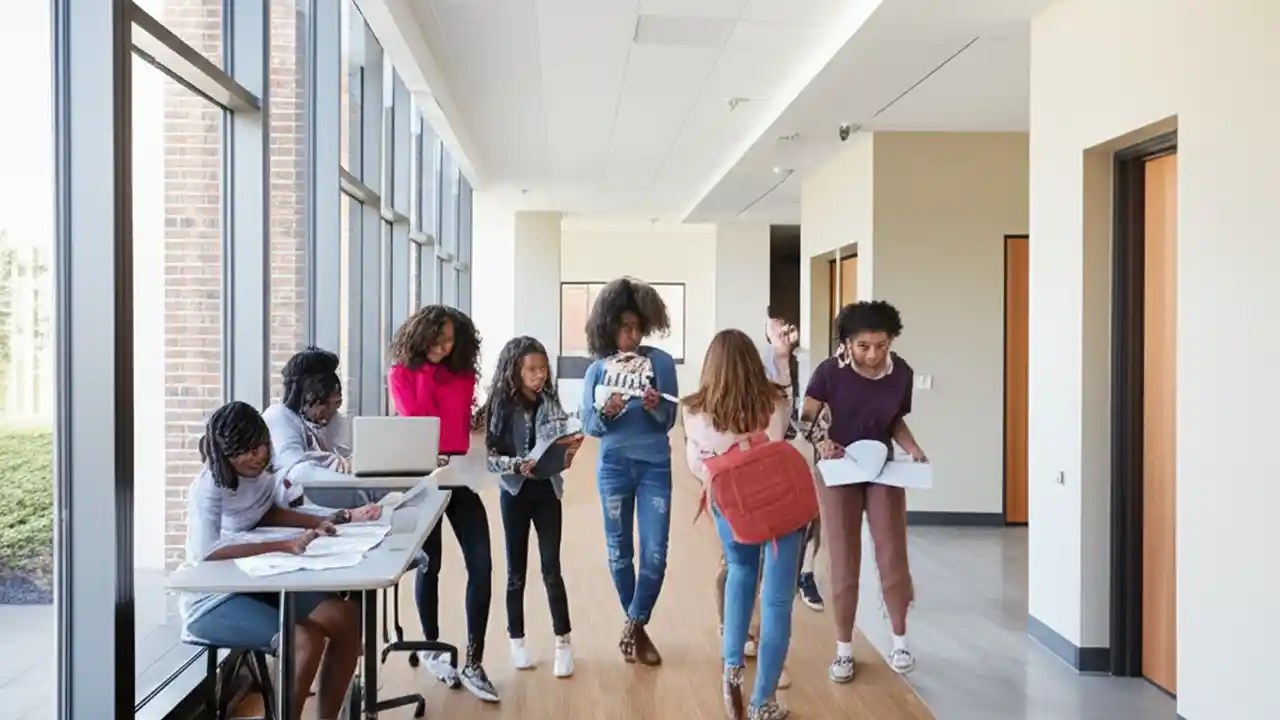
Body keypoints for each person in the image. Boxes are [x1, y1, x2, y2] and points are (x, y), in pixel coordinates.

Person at [179, 401, 361, 720]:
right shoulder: (208, 486)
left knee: (345, 617)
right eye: (247, 451)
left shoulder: (263, 470)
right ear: (225, 454)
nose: (259, 455)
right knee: (305, 640)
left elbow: (267, 512)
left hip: (261, 577)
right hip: (213, 598)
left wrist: (319, 522)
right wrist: (283, 543)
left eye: (261, 444)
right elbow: (205, 553)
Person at [800, 300, 925, 681]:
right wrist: (822, 442)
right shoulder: (829, 372)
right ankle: (843, 650)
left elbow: (894, 421)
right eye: (864, 346)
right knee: (844, 557)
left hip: (881, 467)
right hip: (839, 467)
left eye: (881, 345)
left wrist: (912, 448)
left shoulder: (901, 373)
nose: (873, 354)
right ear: (847, 343)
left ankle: (900, 640)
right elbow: (805, 419)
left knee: (892, 554)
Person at [684, 329, 802, 720]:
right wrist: (783, 361)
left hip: (730, 507)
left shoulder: (694, 410)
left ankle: (731, 672)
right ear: (754, 363)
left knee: (739, 575)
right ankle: (762, 701)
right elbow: (779, 435)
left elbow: (697, 465)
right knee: (778, 599)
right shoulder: (770, 400)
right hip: (780, 504)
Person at [388, 305, 498, 702]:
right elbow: (417, 418)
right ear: (420, 336)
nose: (443, 345)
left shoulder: (463, 372)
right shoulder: (401, 373)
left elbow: (456, 425)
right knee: (430, 565)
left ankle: (473, 658)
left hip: (461, 476)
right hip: (424, 479)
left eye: (450, 339)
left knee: (482, 566)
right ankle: (432, 647)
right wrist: (425, 372)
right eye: (436, 338)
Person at [580, 277, 678, 666]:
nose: (631, 334)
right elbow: (588, 424)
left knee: (655, 554)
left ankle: (634, 624)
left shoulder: (661, 363)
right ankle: (638, 631)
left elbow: (669, 418)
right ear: (608, 328)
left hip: (655, 465)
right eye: (623, 326)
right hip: (613, 467)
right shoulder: (597, 370)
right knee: (619, 553)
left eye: (637, 326)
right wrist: (606, 413)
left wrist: (654, 405)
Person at [483, 336, 581, 678]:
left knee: (551, 569)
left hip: (547, 491)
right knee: (516, 573)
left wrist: (566, 448)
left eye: (543, 369)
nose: (539, 376)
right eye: (532, 370)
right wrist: (515, 464)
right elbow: (489, 461)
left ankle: (563, 642)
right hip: (514, 493)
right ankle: (517, 639)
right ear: (515, 371)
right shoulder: (500, 407)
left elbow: (561, 438)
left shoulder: (550, 402)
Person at [262, 347, 382, 523]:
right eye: (324, 403)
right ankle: (370, 491)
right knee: (302, 470)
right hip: (287, 496)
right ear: (308, 394)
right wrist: (339, 463)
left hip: (312, 494)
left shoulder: (315, 421)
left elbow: (347, 449)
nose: (331, 410)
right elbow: (292, 463)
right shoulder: (278, 416)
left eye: (336, 403)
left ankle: (374, 489)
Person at [761, 312, 826, 613]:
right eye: (776, 326)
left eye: (787, 326)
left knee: (812, 511)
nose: (785, 331)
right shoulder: (765, 362)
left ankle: (806, 573)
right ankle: (772, 576)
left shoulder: (809, 359)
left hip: (801, 443)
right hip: (771, 445)